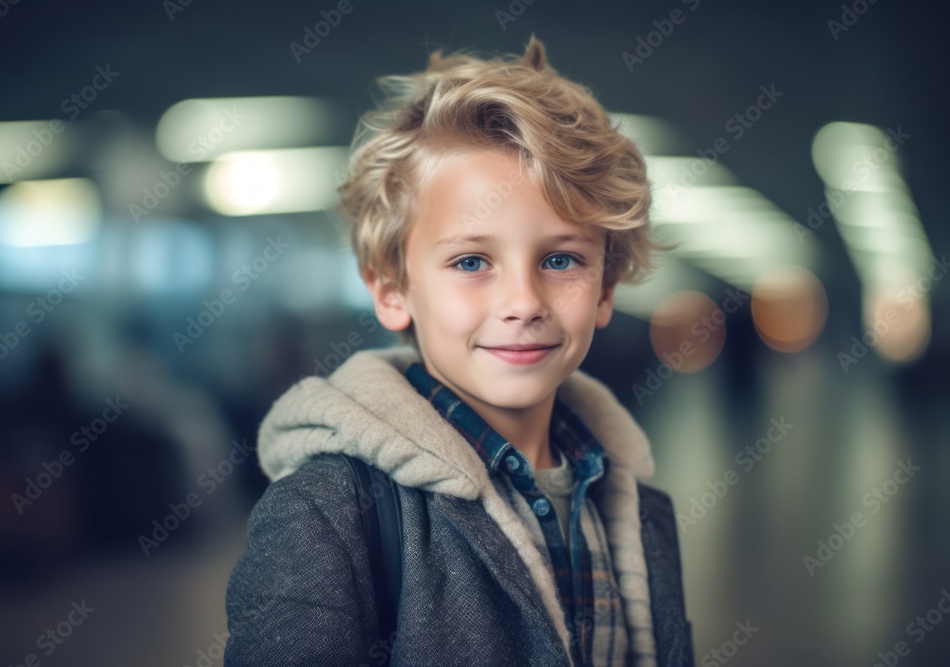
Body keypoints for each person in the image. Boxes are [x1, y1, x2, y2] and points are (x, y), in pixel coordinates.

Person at [224, 35, 694, 667]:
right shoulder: (329, 517)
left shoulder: (640, 512)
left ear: (606, 288)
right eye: (471, 261)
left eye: (562, 260)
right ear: (392, 290)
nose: (523, 301)